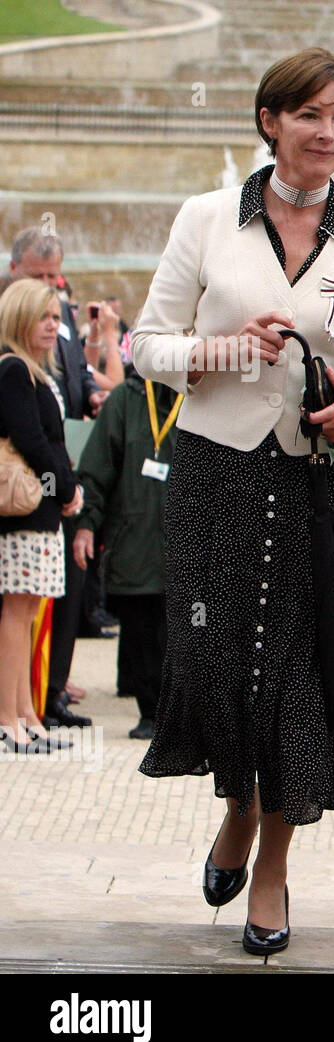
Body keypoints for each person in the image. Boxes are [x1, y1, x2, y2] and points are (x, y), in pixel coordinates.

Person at [130, 47, 334, 955]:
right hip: (218, 472)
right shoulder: (207, 219)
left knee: (299, 673)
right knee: (218, 664)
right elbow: (145, 345)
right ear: (269, 121)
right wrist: (218, 351)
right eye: (311, 115)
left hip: (318, 474)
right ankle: (237, 811)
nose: (329, 133)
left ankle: (273, 864)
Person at [9, 229, 101, 728]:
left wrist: (90, 395)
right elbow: (28, 428)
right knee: (20, 607)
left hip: (61, 478)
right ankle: (21, 708)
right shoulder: (11, 342)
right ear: (15, 269)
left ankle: (46, 694)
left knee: (60, 592)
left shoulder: (60, 320)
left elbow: (76, 378)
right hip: (27, 490)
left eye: (55, 277)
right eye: (39, 276)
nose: (51, 287)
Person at [72, 362, 178, 740]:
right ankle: (150, 711)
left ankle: (182, 716)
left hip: (188, 545)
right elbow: (96, 470)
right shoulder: (125, 400)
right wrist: (86, 525)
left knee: (183, 631)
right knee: (141, 628)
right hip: (133, 537)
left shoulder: (205, 398)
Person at [0, 279, 83, 752]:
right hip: (23, 512)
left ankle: (27, 713)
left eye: (57, 317)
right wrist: (68, 488)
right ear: (20, 319)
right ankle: (8, 718)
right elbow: (32, 440)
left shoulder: (33, 369)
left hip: (42, 510)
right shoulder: (13, 369)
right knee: (16, 612)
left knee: (28, 611)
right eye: (44, 317)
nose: (54, 325)